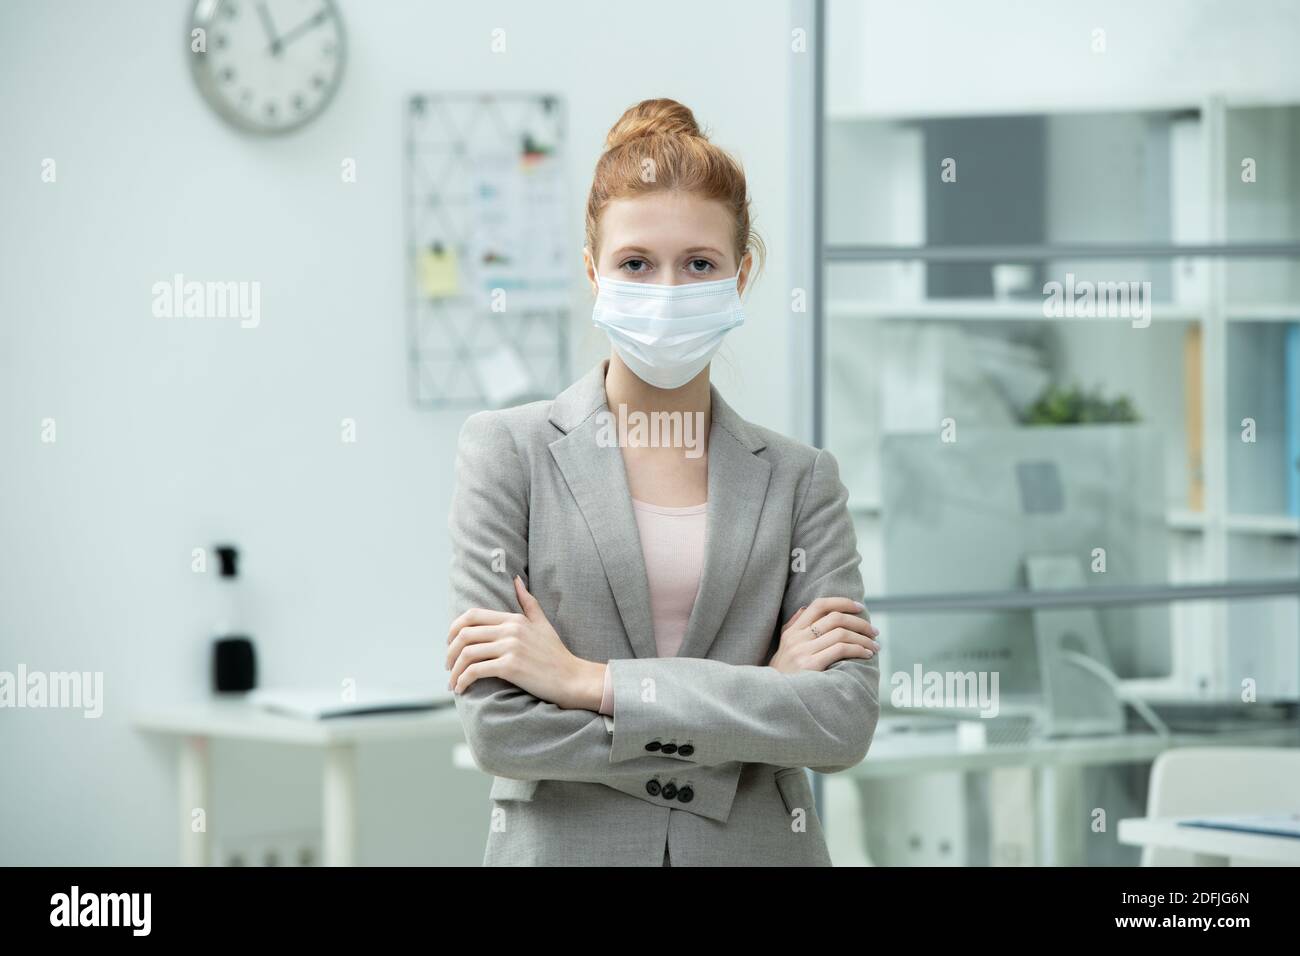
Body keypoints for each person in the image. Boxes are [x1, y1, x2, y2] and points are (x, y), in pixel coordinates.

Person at [446, 98, 880, 866]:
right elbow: (501, 731)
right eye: (637, 263)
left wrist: (587, 682)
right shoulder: (506, 455)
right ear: (593, 272)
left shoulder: (801, 481)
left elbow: (841, 724)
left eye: (700, 265)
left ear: (741, 274)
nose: (668, 291)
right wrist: (760, 698)